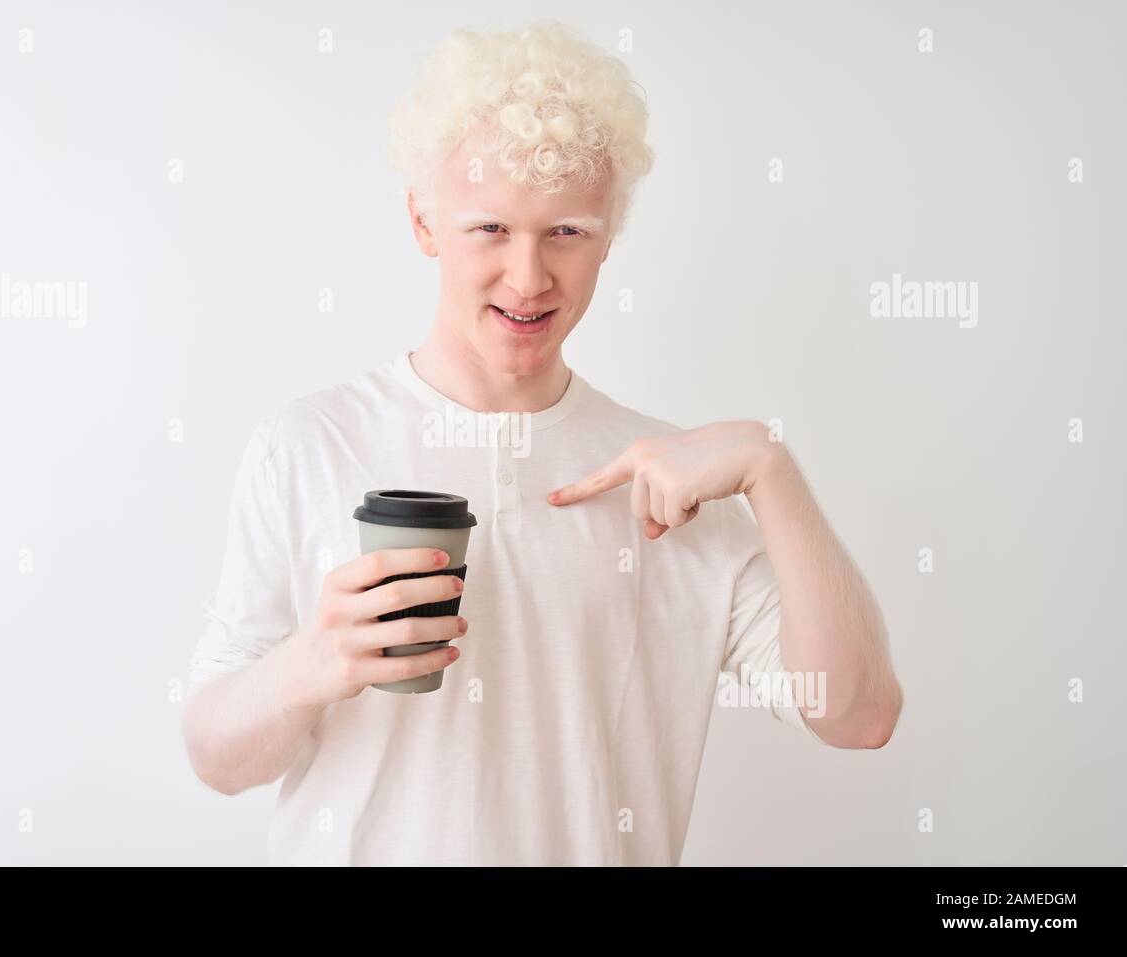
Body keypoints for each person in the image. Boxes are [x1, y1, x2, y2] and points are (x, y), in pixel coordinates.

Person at [180, 19, 902, 866]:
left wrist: (770, 470)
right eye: (490, 228)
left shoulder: (670, 481)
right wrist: (312, 662)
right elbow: (216, 759)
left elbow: (859, 715)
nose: (528, 277)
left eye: (567, 232)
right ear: (423, 221)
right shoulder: (309, 445)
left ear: (609, 236)